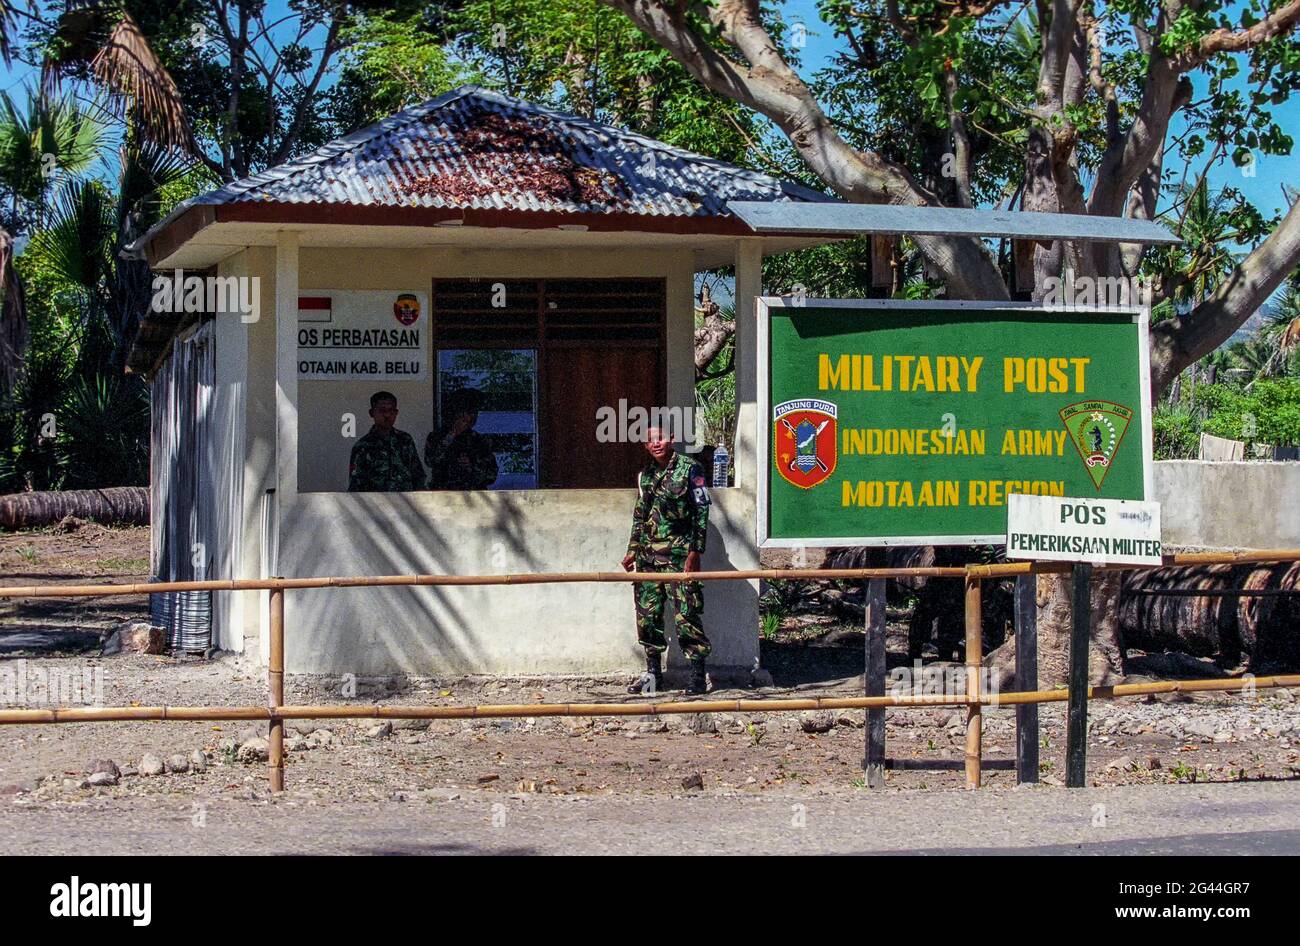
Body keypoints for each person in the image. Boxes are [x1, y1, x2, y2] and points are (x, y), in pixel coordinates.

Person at [622, 426, 711, 695]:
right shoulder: (646, 475)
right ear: (646, 446)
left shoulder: (690, 469)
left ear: (670, 440)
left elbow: (702, 510)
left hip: (679, 556)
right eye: (650, 441)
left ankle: (697, 677)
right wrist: (632, 551)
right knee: (648, 617)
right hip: (648, 558)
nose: (656, 444)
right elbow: (640, 516)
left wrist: (696, 552)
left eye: (660, 438)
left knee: (687, 615)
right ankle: (652, 677)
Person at [347, 391, 425, 492]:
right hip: (376, 504)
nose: (387, 415)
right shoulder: (362, 447)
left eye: (391, 410)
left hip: (404, 502)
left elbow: (417, 475)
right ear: (372, 413)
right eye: (382, 410)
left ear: (396, 412)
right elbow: (356, 485)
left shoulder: (405, 440)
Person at [425, 388, 499, 490]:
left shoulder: (480, 441)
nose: (472, 417)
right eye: (468, 412)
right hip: (444, 497)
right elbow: (431, 461)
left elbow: (491, 475)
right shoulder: (437, 437)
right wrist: (452, 435)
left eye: (474, 412)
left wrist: (471, 466)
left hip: (474, 498)